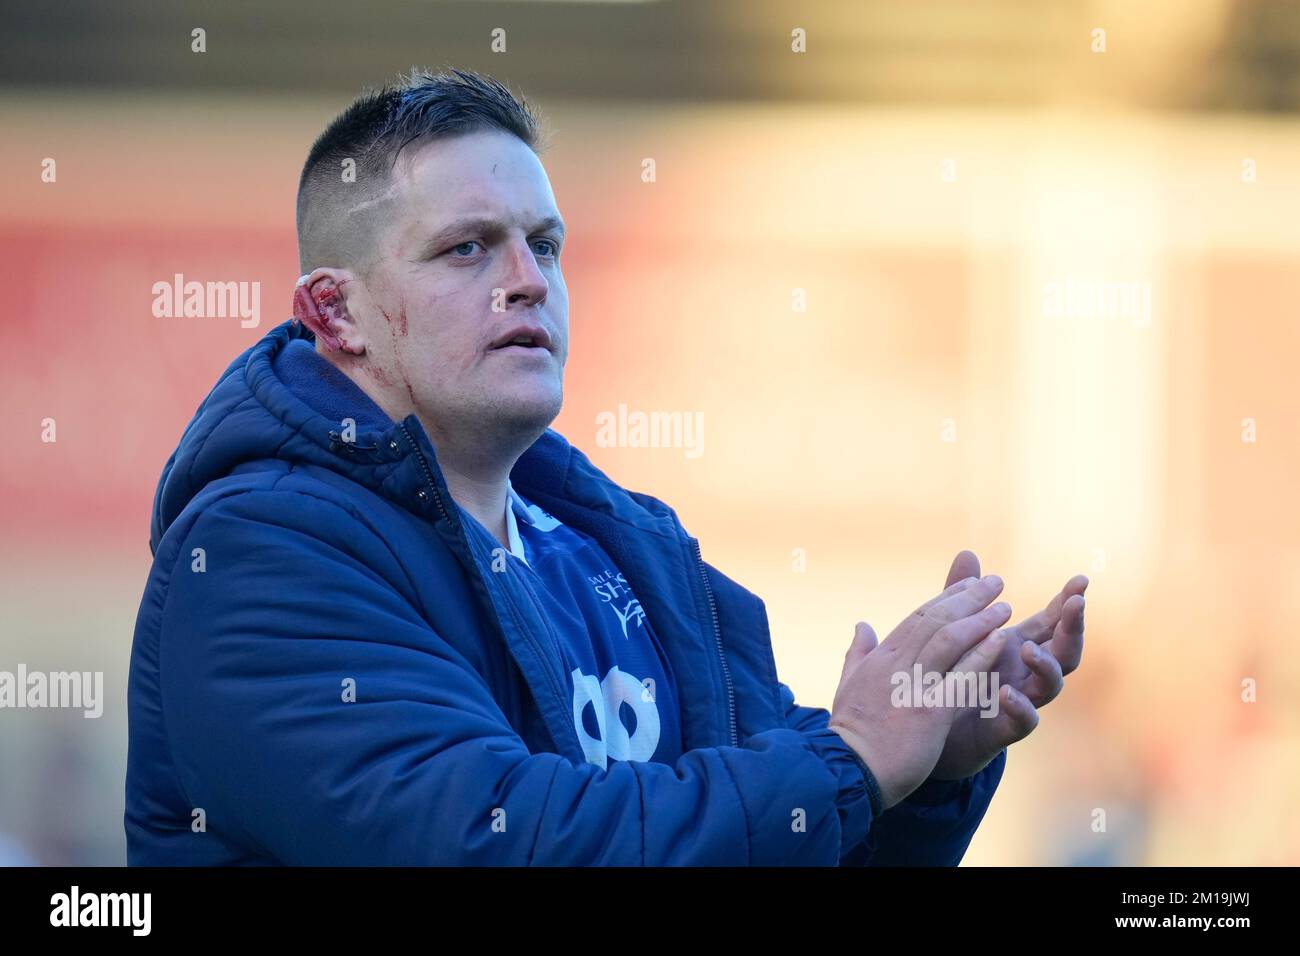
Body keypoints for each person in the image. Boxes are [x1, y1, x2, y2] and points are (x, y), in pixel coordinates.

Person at [125, 67, 1088, 865]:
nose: (528, 280)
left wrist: (926, 771)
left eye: (545, 244)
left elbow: (774, 840)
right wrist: (858, 755)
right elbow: (503, 844)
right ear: (336, 317)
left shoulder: (619, 544)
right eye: (468, 249)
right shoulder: (259, 554)